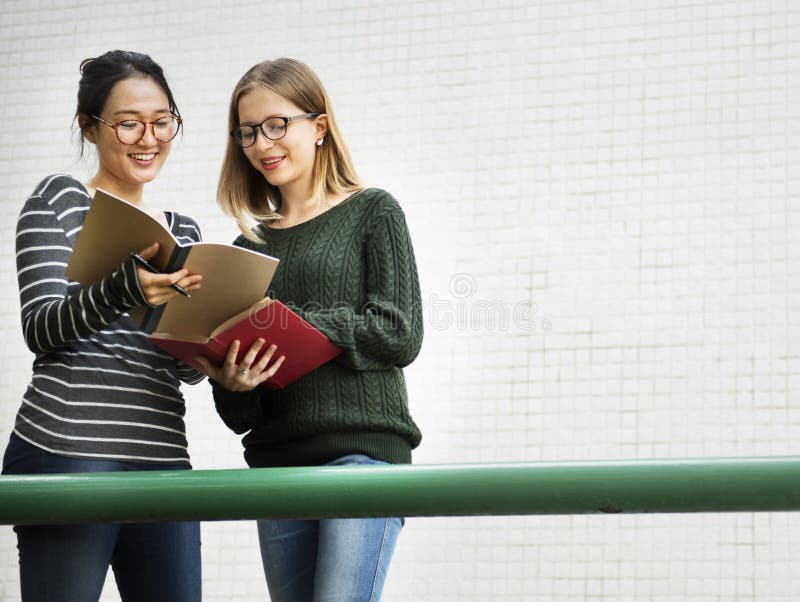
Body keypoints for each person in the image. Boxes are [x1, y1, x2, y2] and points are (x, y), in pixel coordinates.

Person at [198, 57, 424, 601]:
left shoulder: (374, 211)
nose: (262, 143)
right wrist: (231, 382)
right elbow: (240, 415)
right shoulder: (246, 249)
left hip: (361, 454)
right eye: (248, 132)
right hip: (277, 466)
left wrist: (300, 327)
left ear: (318, 126)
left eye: (277, 124)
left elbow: (399, 331)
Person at [2, 50, 204, 602]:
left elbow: (181, 371)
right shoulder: (60, 201)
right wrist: (124, 288)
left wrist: (217, 355)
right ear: (90, 128)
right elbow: (41, 327)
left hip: (162, 456)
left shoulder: (183, 230)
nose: (149, 137)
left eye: (163, 121)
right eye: (129, 122)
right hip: (67, 448)